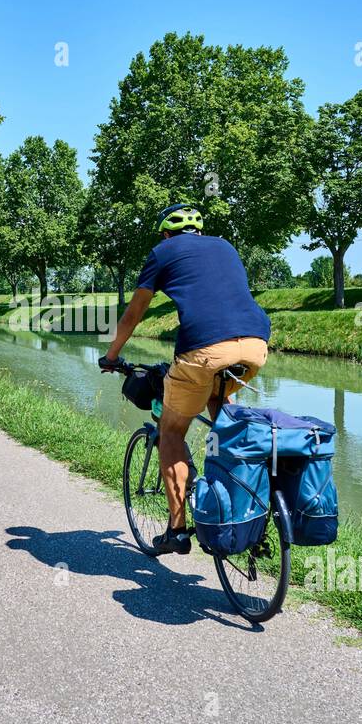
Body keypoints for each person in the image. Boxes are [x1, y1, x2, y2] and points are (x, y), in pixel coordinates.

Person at [100, 203, 271, 555]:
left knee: (172, 430)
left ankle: (177, 530)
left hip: (204, 348)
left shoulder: (162, 251)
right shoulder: (225, 246)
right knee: (222, 415)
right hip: (255, 345)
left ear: (166, 233)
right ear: (199, 231)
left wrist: (112, 355)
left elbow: (135, 311)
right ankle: (235, 503)